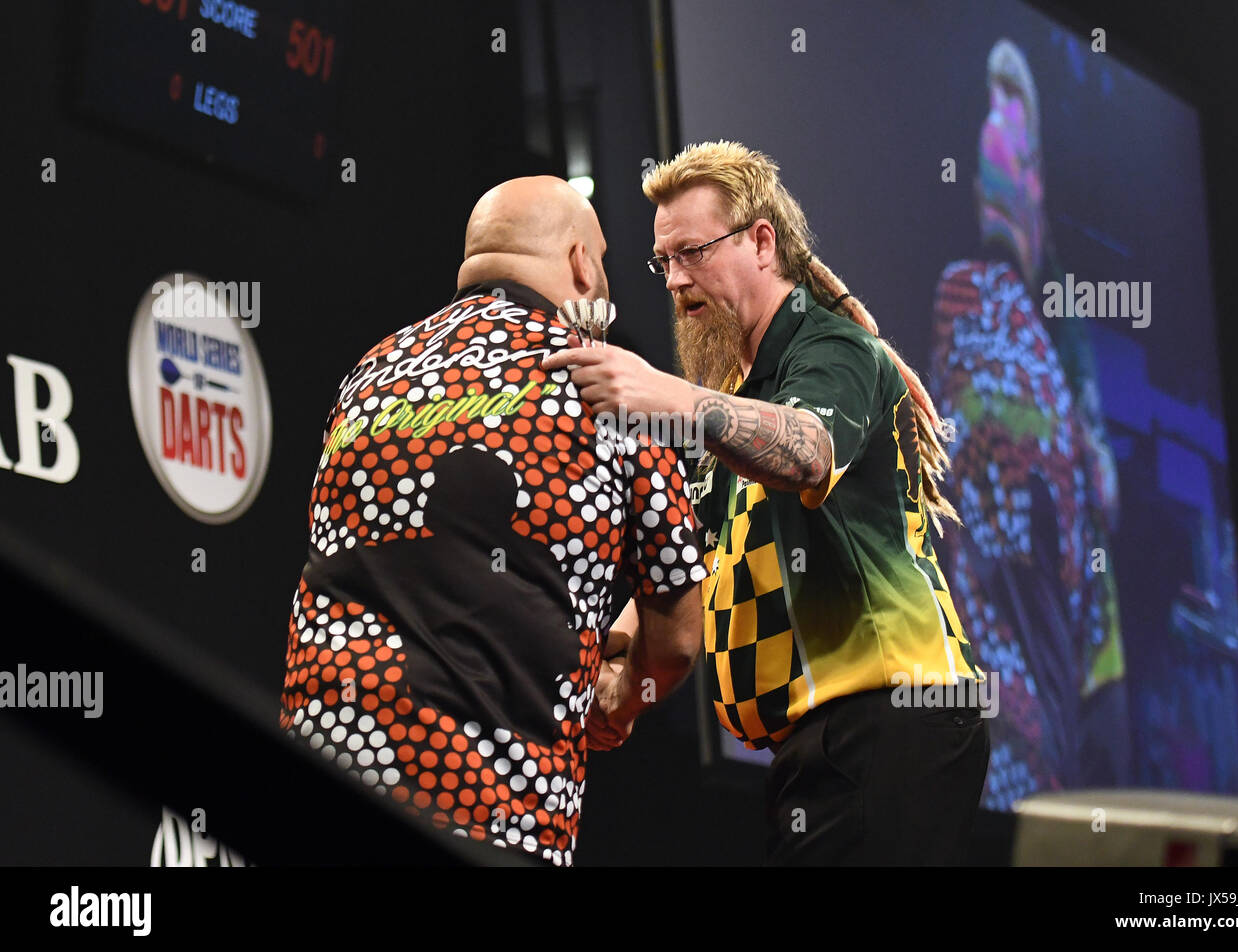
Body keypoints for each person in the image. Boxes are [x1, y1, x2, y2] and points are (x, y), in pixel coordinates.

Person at [545, 141, 990, 865]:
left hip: (892, 714)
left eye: (692, 252)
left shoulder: (832, 349)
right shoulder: (733, 405)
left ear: (760, 241)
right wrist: (609, 677)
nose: (676, 281)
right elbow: (688, 573)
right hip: (814, 741)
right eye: (665, 262)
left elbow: (808, 450)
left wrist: (675, 398)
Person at [278, 175, 705, 866]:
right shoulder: (610, 383)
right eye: (603, 262)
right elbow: (680, 636)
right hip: (494, 813)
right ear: (579, 263)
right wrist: (620, 702)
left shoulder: (370, 372)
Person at [929, 39, 1128, 809]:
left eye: (1022, 144)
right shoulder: (972, 299)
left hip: (1052, 675)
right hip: (1001, 680)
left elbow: (1085, 487)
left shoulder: (1045, 333)